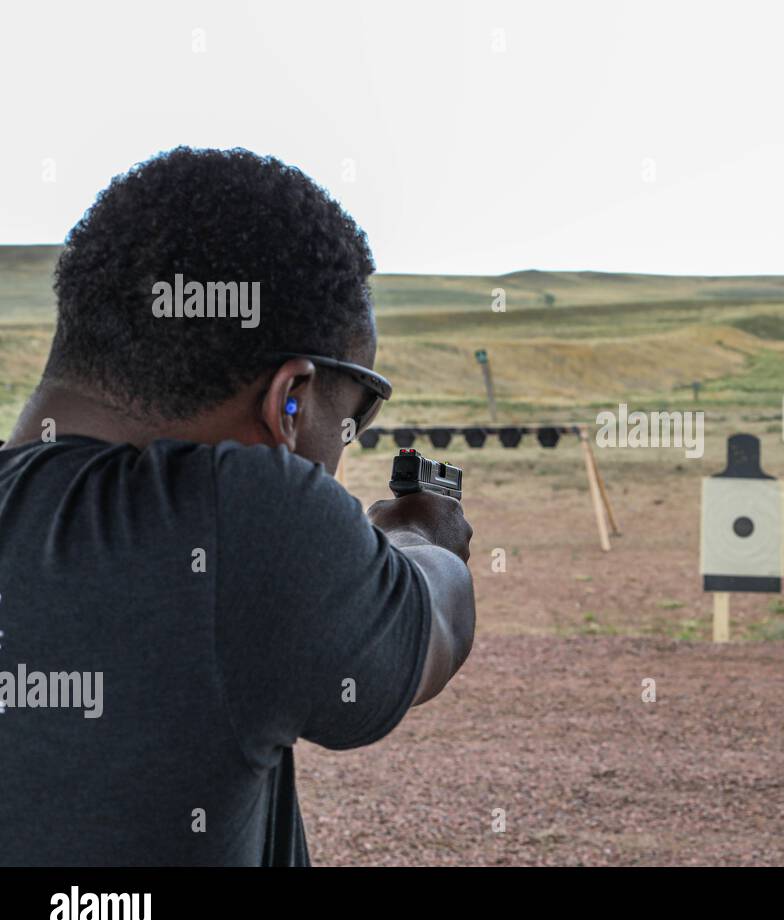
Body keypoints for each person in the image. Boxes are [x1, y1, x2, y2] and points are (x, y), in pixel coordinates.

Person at [0, 147, 475, 866]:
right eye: (356, 411)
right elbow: (435, 623)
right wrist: (418, 530)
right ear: (290, 399)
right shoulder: (242, 520)